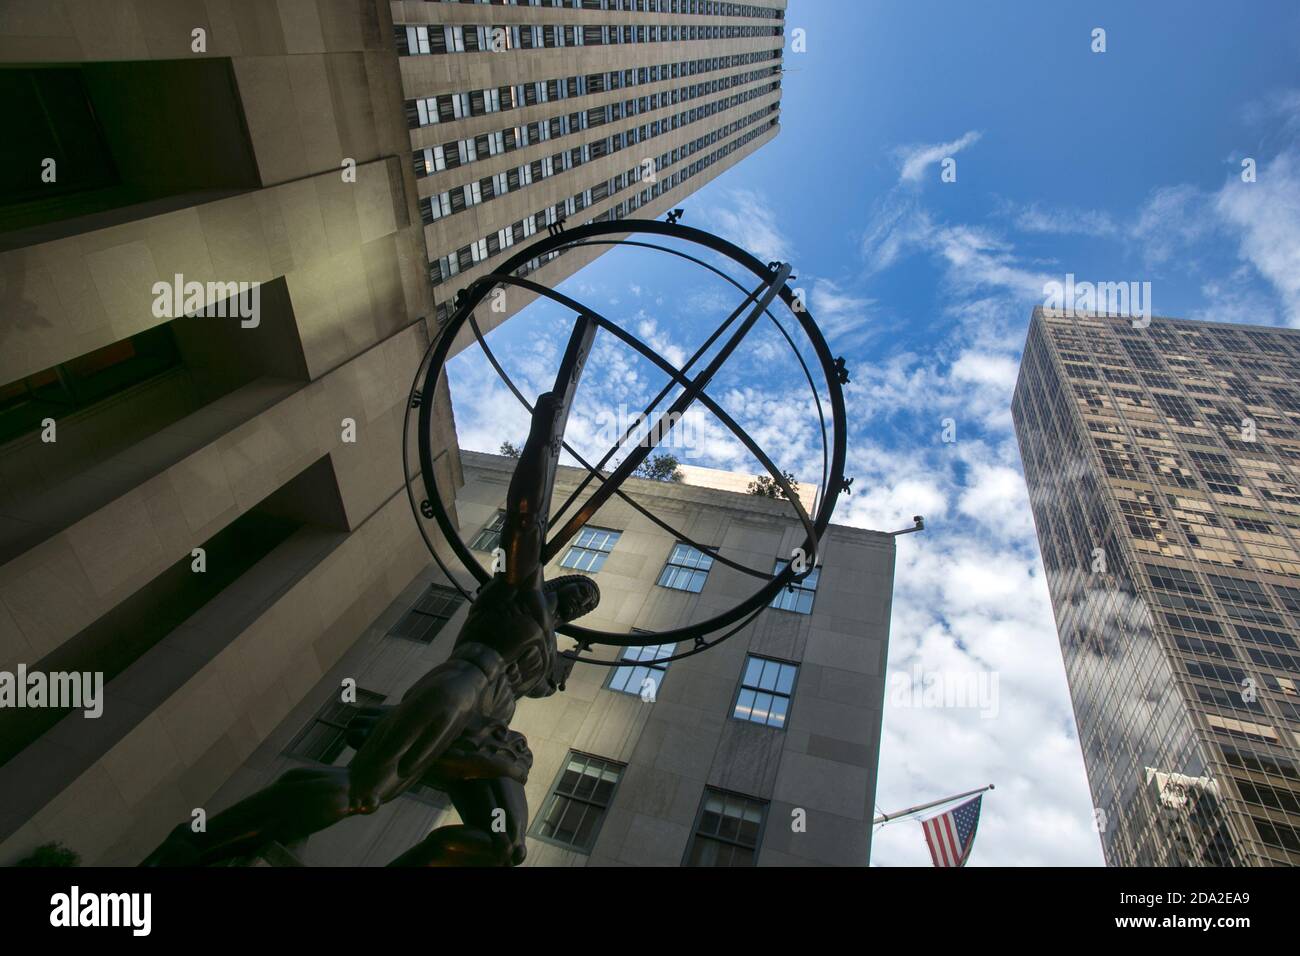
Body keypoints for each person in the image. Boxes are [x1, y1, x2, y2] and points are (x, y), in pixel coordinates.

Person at [143, 392, 599, 866]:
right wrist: (543, 436)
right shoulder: (517, 590)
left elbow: (546, 683)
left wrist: (565, 662)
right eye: (582, 586)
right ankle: (193, 848)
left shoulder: (547, 649)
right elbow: (526, 518)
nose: (585, 597)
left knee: (504, 847)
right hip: (461, 689)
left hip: (491, 731)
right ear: (559, 580)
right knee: (362, 792)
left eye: (589, 601)